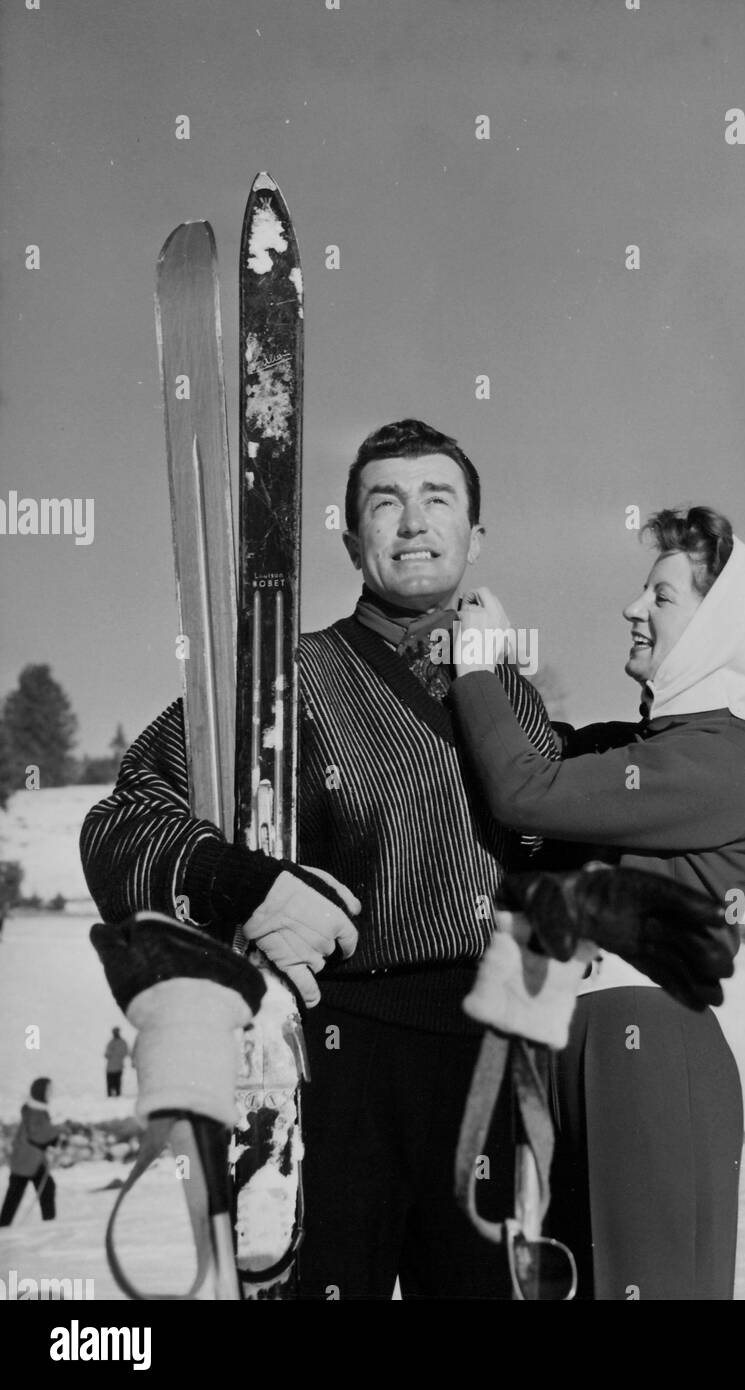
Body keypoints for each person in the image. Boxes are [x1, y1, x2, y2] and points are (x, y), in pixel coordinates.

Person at [81, 419, 573, 1301]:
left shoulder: (515, 701)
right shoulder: (286, 679)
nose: (413, 523)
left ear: (476, 535)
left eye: (438, 500)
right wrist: (246, 885)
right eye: (385, 503)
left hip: (489, 1079)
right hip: (329, 1067)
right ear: (350, 538)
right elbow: (120, 824)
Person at [450, 506, 745, 1299]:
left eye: (662, 597)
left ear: (722, 627)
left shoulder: (730, 755)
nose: (632, 609)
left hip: (642, 1044)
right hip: (579, 1040)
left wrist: (476, 668)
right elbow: (549, 755)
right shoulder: (649, 745)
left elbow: (525, 790)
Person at [0, 1078, 65, 1225]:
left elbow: (42, 1135)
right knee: (16, 1194)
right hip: (25, 1161)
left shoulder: (37, 1110)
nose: (51, 1093)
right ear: (41, 1092)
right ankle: (4, 1224)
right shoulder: (35, 1112)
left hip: (30, 1160)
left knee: (45, 1187)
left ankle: (48, 1221)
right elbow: (38, 1135)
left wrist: (54, 1135)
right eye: (49, 1090)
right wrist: (57, 1132)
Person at [104, 1027, 129, 1097]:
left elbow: (126, 1052)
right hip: (110, 1068)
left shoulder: (122, 1042)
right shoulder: (111, 1043)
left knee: (117, 1085)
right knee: (111, 1085)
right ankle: (111, 1099)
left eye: (116, 1032)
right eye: (114, 1032)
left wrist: (114, 1053)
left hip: (117, 1068)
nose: (115, 1034)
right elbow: (106, 1055)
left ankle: (117, 1099)